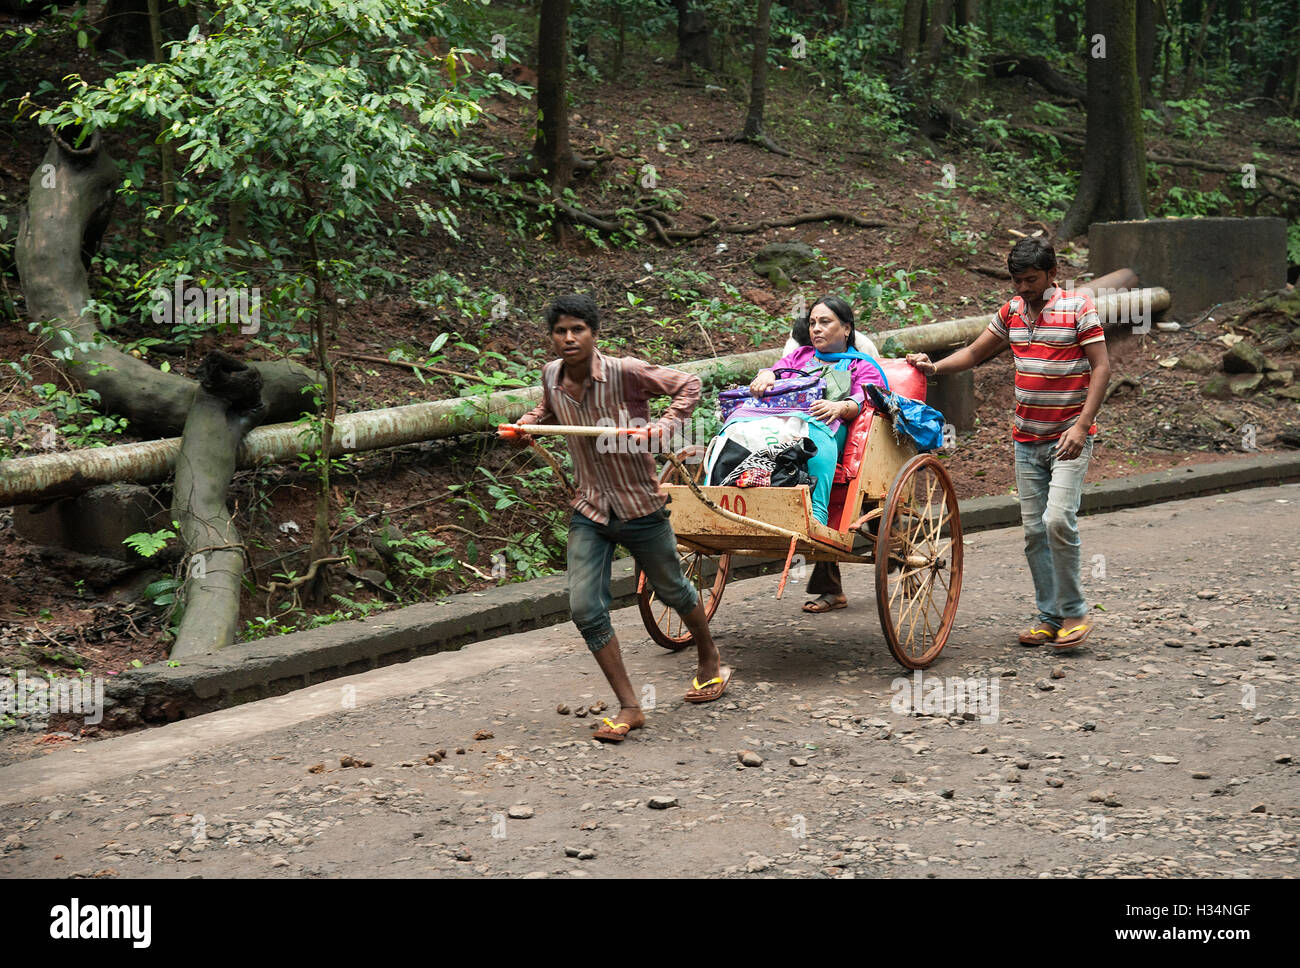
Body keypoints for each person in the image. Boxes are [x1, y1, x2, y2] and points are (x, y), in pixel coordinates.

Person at [500, 294, 730, 743]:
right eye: (560, 331)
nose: (569, 338)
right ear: (551, 338)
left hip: (641, 505)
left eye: (577, 329)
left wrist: (663, 427)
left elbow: (689, 383)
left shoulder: (625, 371)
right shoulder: (551, 375)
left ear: (594, 333)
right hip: (590, 508)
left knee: (672, 591)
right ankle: (630, 705)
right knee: (584, 607)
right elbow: (545, 412)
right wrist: (523, 428)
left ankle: (708, 657)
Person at [906, 238, 1111, 649]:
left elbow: (1102, 366)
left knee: (1057, 521)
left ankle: (1074, 613)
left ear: (1052, 274)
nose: (1023, 287)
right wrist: (934, 367)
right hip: (1026, 439)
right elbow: (973, 354)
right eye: (1017, 280)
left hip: (1070, 437)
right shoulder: (1012, 312)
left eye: (1031, 279)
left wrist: (1082, 424)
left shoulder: (1077, 309)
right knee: (1035, 532)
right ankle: (1048, 617)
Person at [743, 295, 888, 613]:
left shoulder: (862, 364)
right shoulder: (799, 356)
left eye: (825, 322)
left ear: (847, 329)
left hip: (828, 429)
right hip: (783, 427)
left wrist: (841, 405)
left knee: (814, 436)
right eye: (812, 323)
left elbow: (869, 400)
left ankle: (817, 518)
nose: (816, 329)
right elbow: (776, 372)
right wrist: (768, 374)